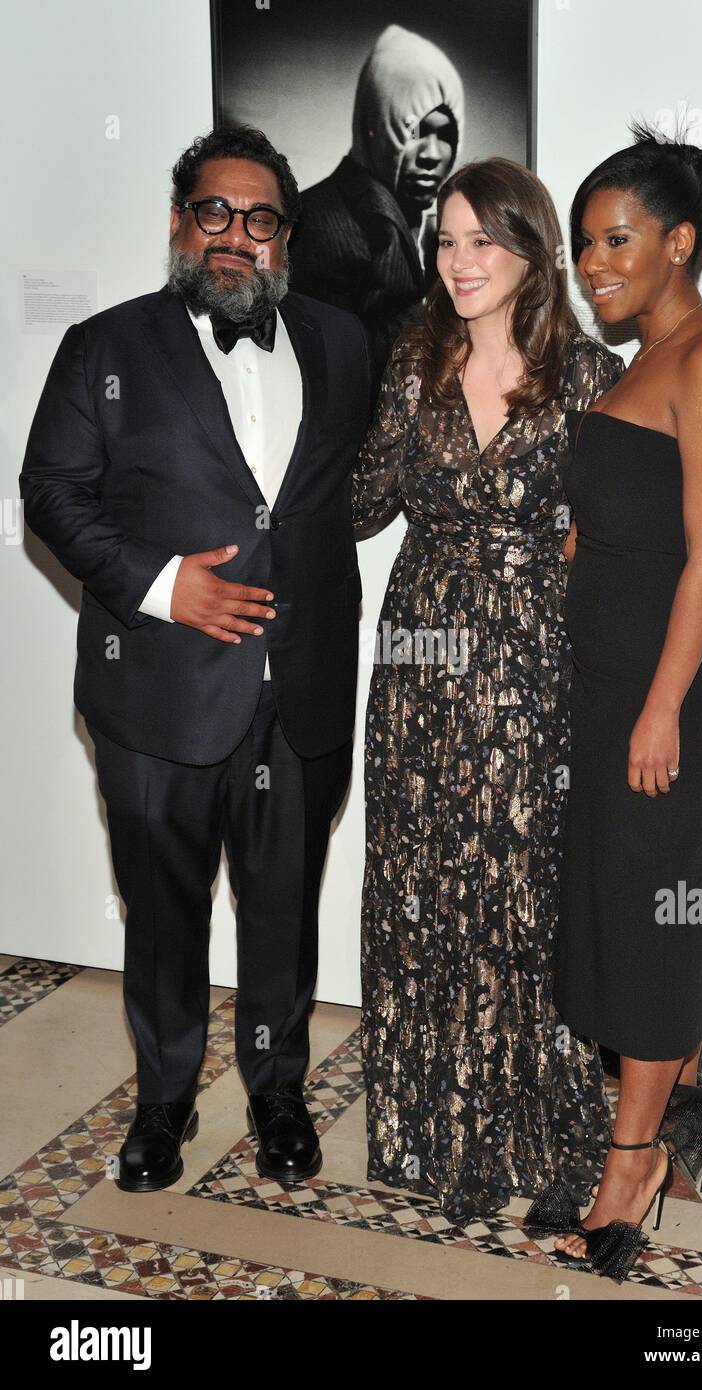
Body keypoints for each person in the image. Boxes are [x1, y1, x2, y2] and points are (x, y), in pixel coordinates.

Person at [19, 125, 371, 1194]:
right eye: (214, 212)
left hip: (299, 692)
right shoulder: (105, 348)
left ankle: (276, 1092)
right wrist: (169, 585)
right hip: (157, 696)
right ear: (179, 224)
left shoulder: (343, 342)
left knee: (283, 910)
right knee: (163, 916)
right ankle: (163, 1096)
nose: (236, 236)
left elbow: (358, 488)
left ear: (285, 238)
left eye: (260, 218)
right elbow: (52, 496)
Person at [351, 155, 634, 1226]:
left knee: (522, 894)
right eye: (446, 240)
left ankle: (539, 1126)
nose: (459, 261)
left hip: (530, 667)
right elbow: (364, 504)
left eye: (482, 240)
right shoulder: (413, 361)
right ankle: (436, 1130)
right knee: (422, 890)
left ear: (530, 252)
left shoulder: (589, 376)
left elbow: (620, 518)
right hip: (419, 665)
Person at [545, 124, 702, 1282]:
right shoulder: (634, 363)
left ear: (679, 242)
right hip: (612, 680)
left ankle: (630, 1167)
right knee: (638, 903)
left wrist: (662, 704)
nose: (594, 264)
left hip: (672, 685)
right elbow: (620, 520)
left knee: (646, 914)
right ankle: (680, 1110)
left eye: (617, 239)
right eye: (585, 244)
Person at [289, 24, 462, 395]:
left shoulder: (441, 228)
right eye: (416, 131)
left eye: (445, 136)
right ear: (376, 126)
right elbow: (331, 371)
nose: (432, 155)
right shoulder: (318, 220)